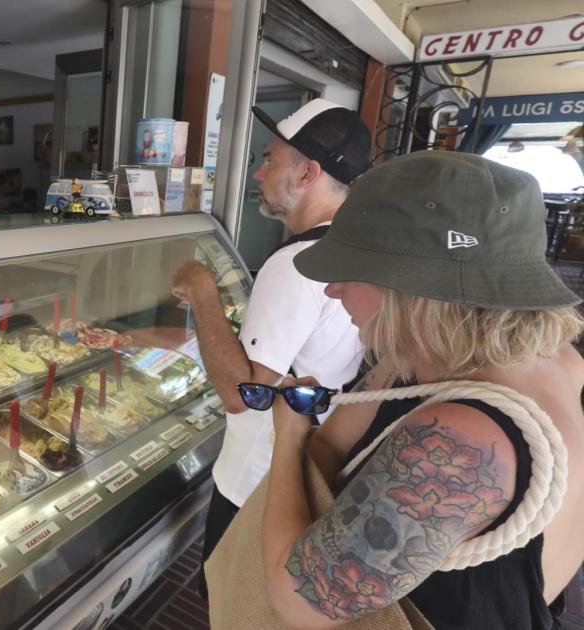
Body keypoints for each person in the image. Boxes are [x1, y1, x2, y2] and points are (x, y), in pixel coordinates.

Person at [258, 151, 584, 628]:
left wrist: (287, 438)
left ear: (413, 290)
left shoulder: (461, 441)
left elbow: (296, 602)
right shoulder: (556, 359)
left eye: (351, 269)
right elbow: (330, 445)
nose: (332, 290)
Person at [170, 99, 371, 594]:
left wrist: (202, 292)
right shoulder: (359, 248)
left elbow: (245, 394)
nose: (258, 174)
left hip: (256, 481)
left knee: (232, 603)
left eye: (269, 160)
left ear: (308, 173)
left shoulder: (296, 263)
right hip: (309, 466)